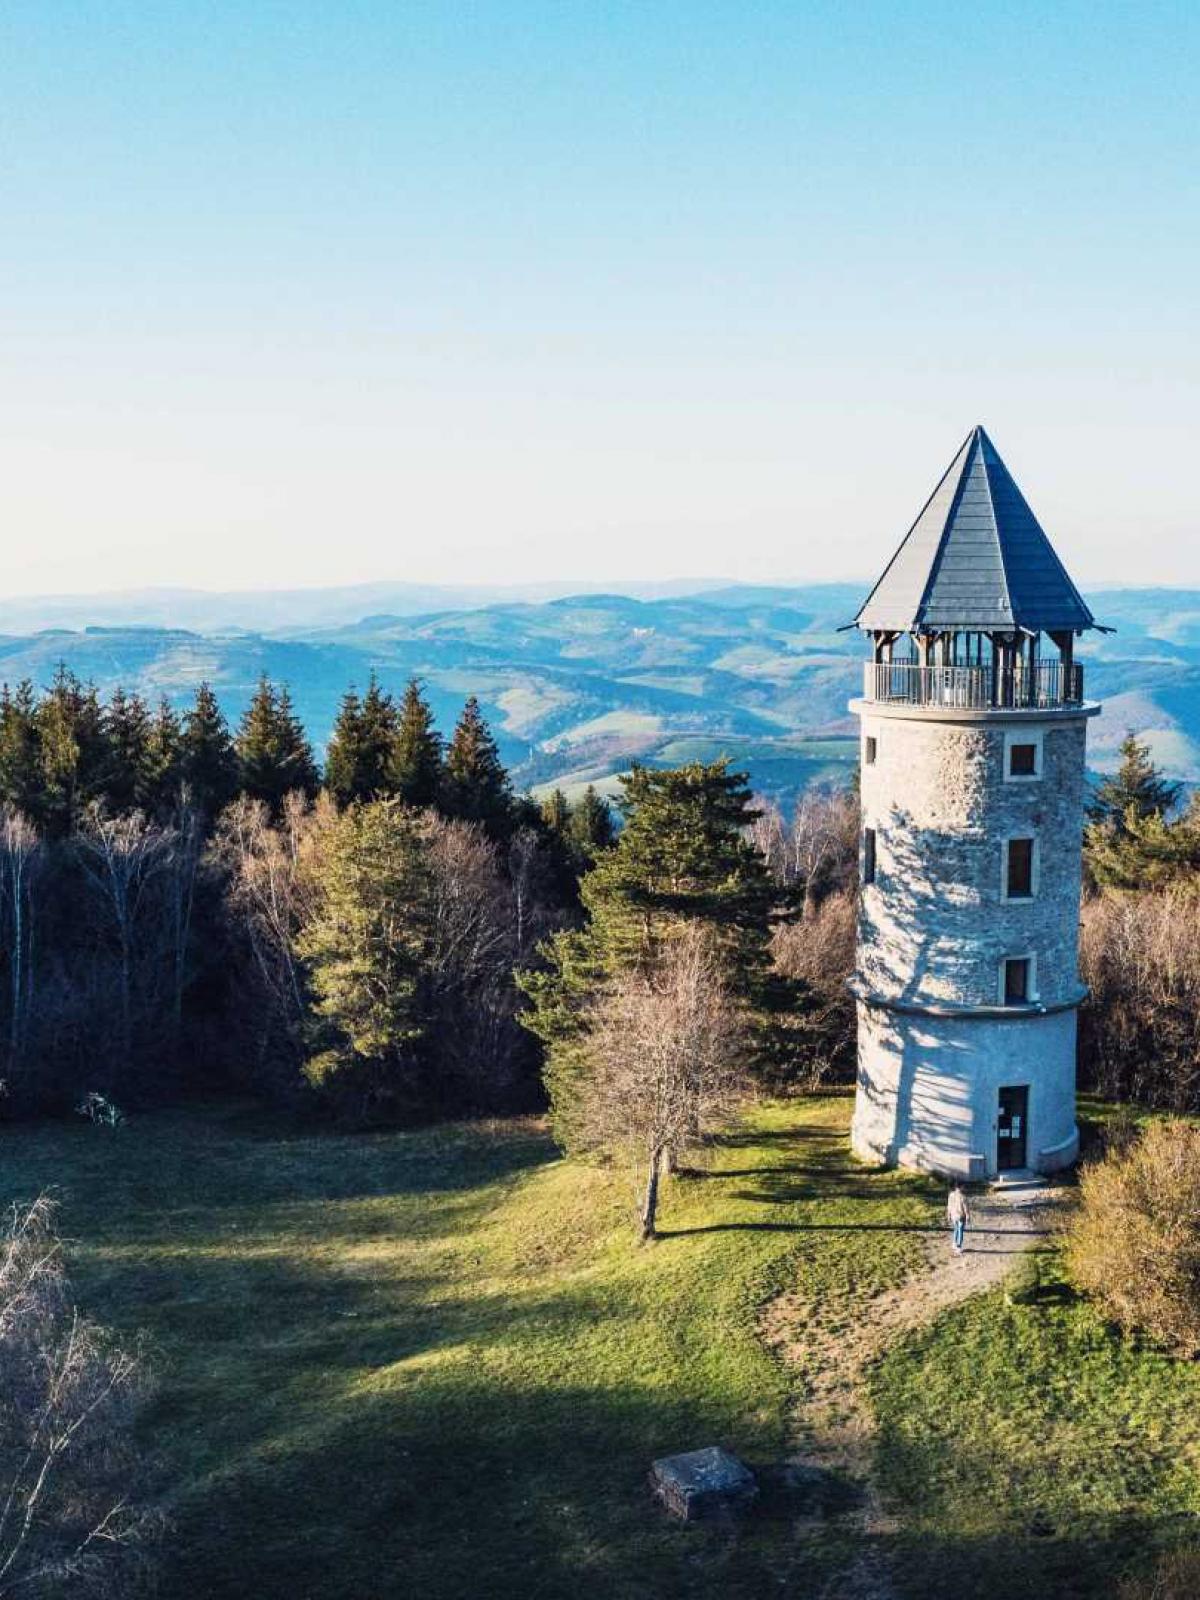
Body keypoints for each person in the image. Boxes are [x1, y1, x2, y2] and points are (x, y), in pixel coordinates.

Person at [947, 1182, 970, 1253]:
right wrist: (968, 1216)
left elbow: (949, 1205)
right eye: (963, 1186)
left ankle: (954, 1243)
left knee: (956, 1229)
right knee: (960, 1231)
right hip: (961, 1216)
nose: (964, 1188)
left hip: (953, 1215)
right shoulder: (963, 1197)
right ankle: (959, 1246)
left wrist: (948, 1215)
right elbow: (966, 1208)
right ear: (960, 1187)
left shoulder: (951, 1195)